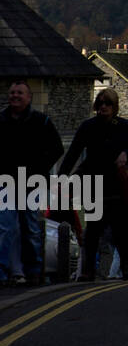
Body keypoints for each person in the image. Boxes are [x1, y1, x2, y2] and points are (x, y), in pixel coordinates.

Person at [59, 89, 128, 282]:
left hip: (118, 185)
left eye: (108, 103)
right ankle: (88, 270)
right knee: (93, 231)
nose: (103, 106)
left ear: (115, 107)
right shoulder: (88, 127)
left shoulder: (125, 126)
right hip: (93, 183)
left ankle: (125, 266)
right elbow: (73, 153)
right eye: (101, 103)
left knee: (121, 229)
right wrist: (62, 177)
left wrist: (126, 155)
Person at [0, 80, 64, 287]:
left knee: (32, 229)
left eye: (19, 93)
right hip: (6, 183)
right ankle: (3, 272)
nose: (15, 96)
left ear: (29, 97)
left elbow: (57, 149)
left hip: (32, 184)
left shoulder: (41, 121)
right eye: (12, 92)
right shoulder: (1, 120)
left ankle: (34, 271)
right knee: (5, 228)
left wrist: (38, 168)